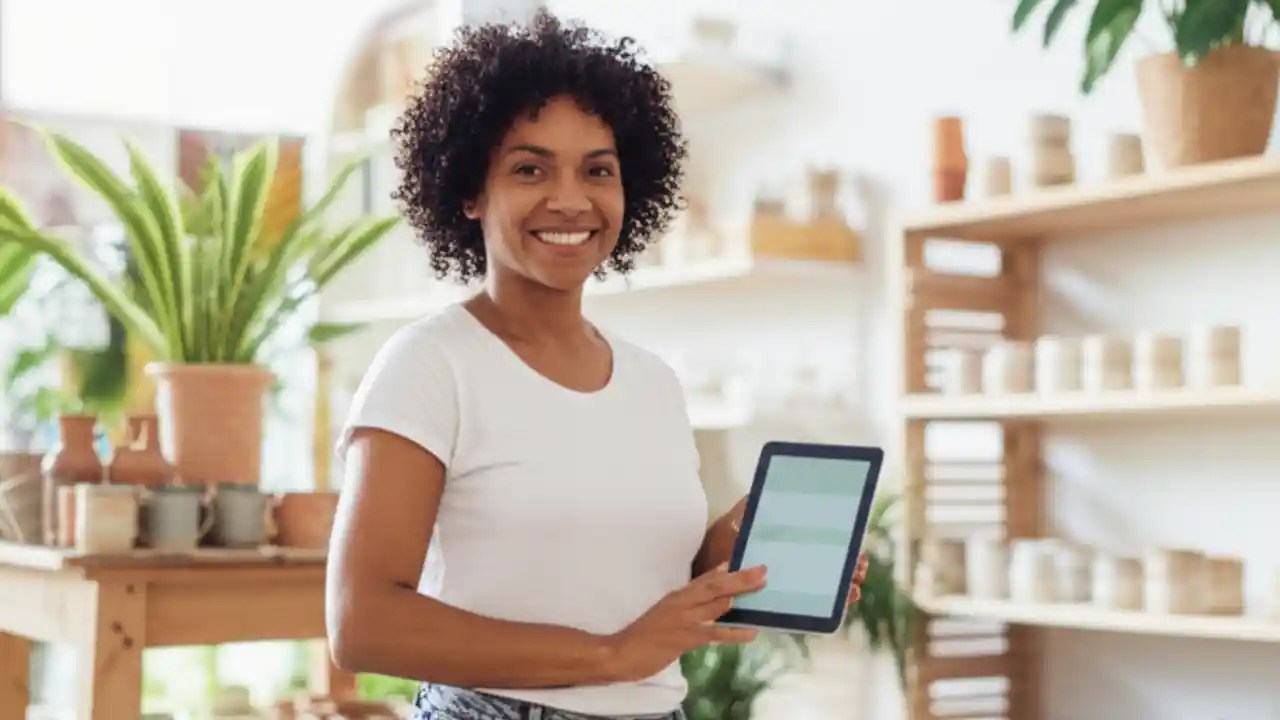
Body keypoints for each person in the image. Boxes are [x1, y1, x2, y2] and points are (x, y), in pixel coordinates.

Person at [324, 10, 868, 720]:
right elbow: (362, 624)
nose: (570, 199)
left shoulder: (653, 381)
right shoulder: (429, 365)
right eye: (530, 168)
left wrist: (727, 558)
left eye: (598, 170)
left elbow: (629, 582)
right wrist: (611, 654)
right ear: (470, 191)